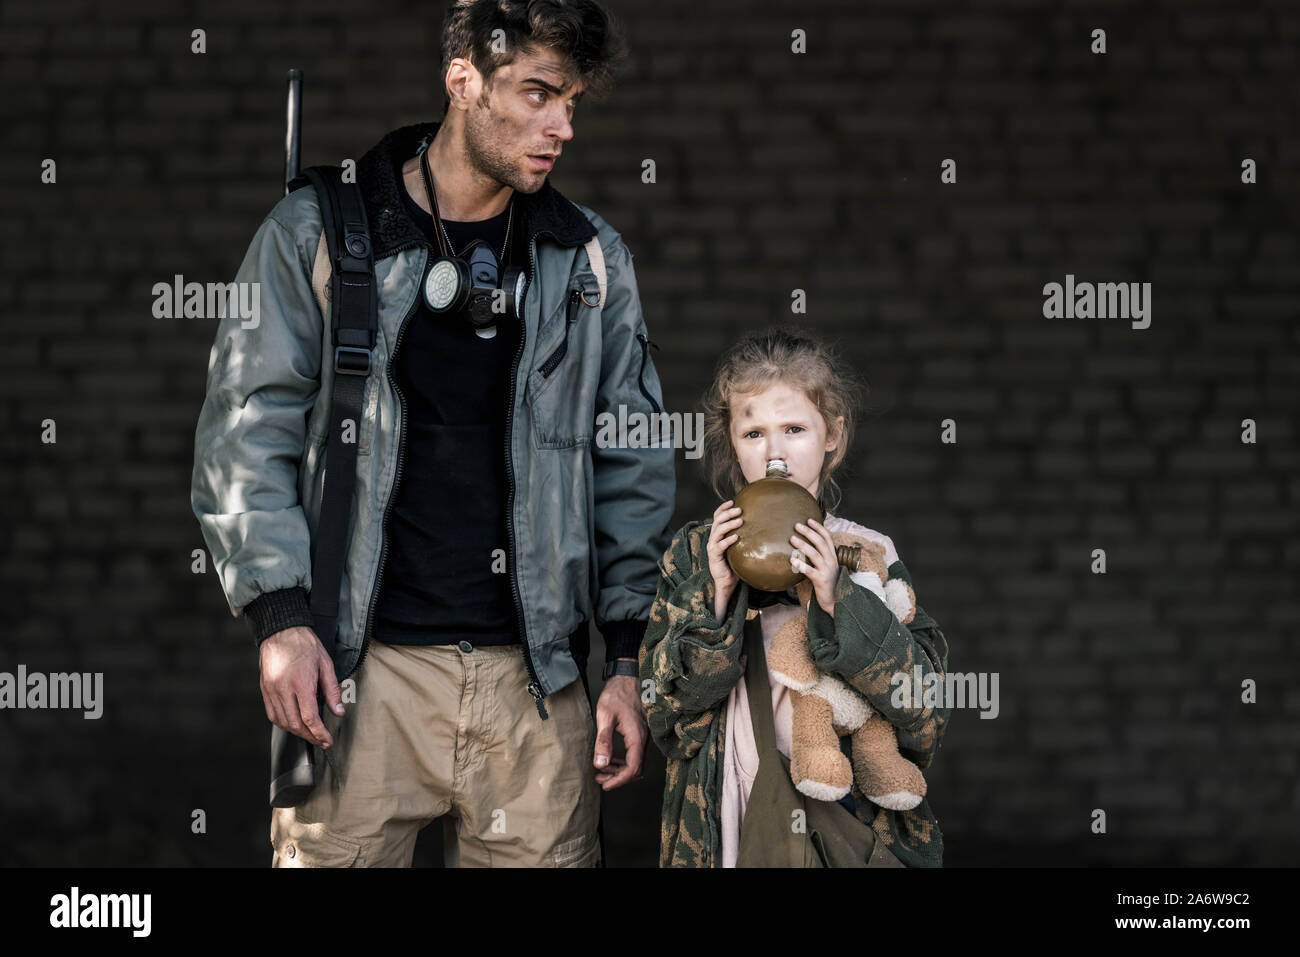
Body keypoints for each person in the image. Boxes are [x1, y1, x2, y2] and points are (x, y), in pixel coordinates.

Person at [190, 0, 674, 867]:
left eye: (572, 101)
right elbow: (243, 428)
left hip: (540, 691)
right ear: (464, 82)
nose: (561, 125)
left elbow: (629, 464)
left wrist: (630, 657)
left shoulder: (589, 261)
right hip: (361, 679)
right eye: (537, 94)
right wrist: (281, 619)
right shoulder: (319, 234)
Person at [639, 329, 951, 867]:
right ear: (732, 442)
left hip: (837, 820)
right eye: (754, 432)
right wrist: (716, 593)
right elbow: (666, 716)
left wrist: (840, 599)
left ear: (833, 435)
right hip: (721, 823)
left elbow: (923, 716)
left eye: (794, 429)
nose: (775, 452)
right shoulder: (694, 554)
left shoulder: (868, 552)